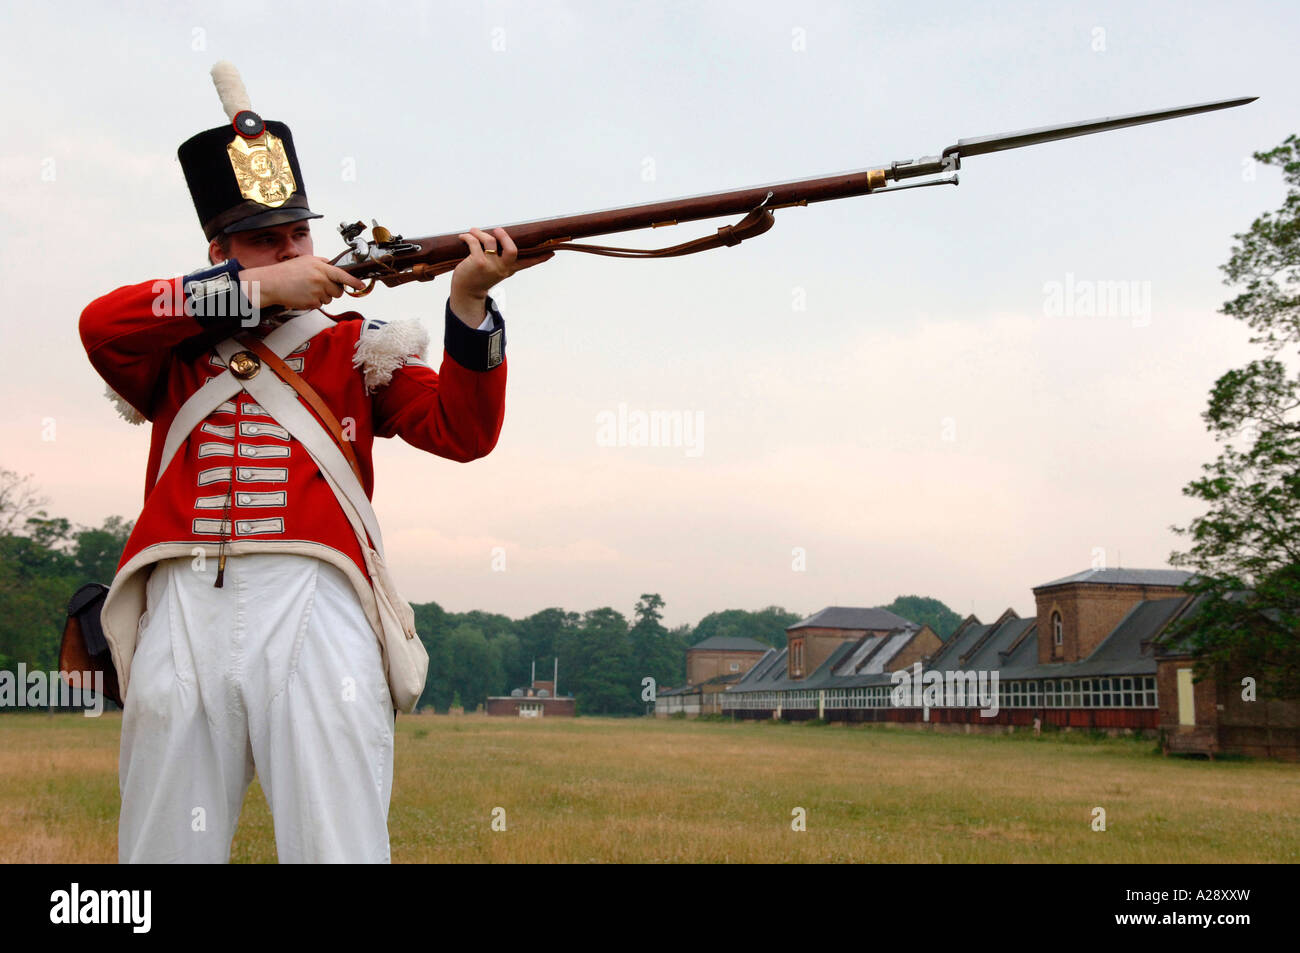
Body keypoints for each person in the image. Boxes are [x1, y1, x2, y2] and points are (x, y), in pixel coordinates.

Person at [78, 62, 550, 863]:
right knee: (161, 846)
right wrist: (254, 291)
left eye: (298, 234)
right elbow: (100, 324)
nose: (295, 248)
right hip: (181, 599)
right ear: (219, 254)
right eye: (268, 240)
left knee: (338, 843)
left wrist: (469, 303)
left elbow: (462, 432)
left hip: (316, 598)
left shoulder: (354, 344)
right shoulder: (174, 341)